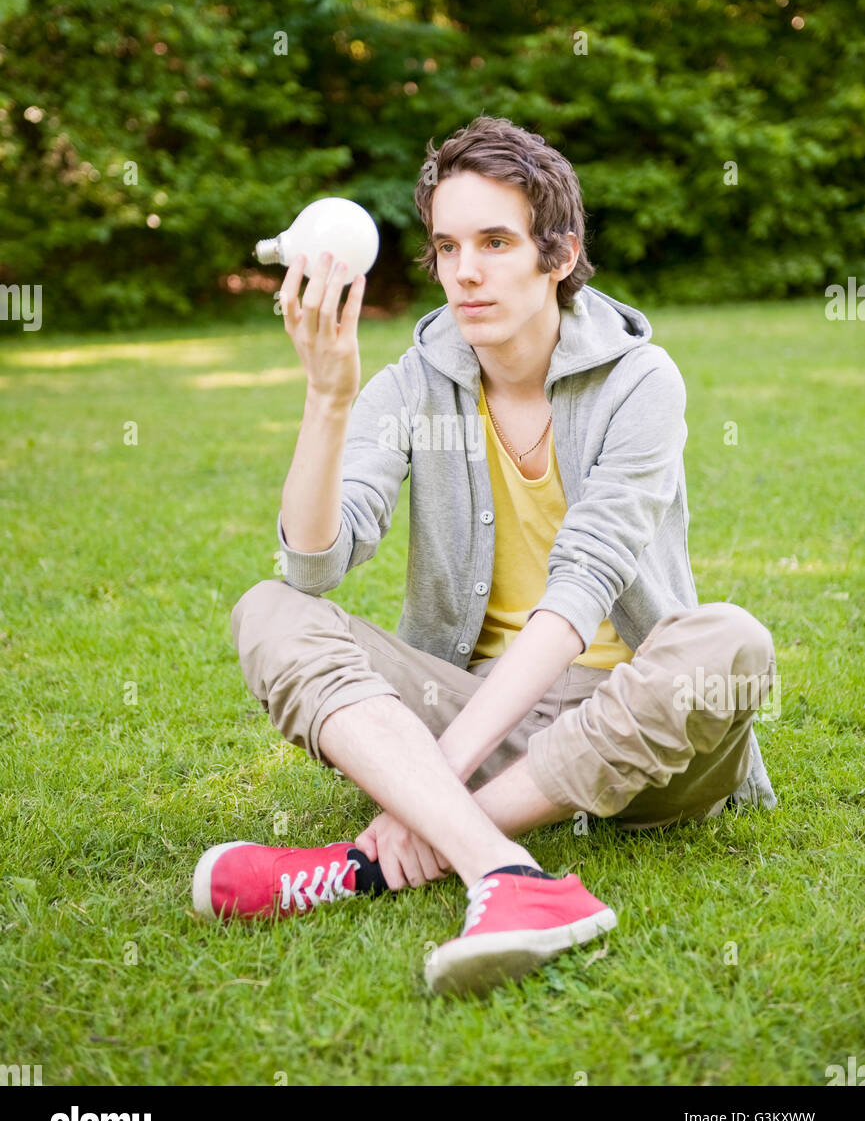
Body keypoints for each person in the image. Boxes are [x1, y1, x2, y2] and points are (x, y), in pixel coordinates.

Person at [192, 115, 777, 998]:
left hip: (635, 732)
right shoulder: (413, 383)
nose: (465, 272)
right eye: (446, 245)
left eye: (496, 242)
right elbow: (315, 567)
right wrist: (325, 396)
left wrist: (426, 784)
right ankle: (503, 871)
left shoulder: (639, 379)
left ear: (559, 254)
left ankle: (375, 863)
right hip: (472, 706)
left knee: (730, 643)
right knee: (269, 609)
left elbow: (580, 590)